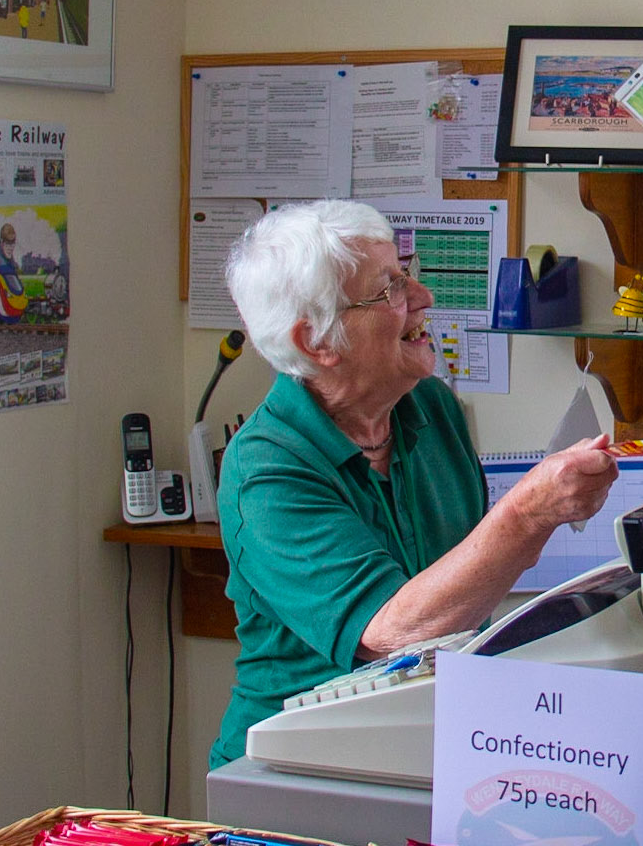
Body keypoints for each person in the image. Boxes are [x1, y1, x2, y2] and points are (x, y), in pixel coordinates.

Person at [209, 201, 620, 769]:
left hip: (430, 740)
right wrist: (529, 513)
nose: (423, 297)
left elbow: (466, 593)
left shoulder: (428, 406)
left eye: (409, 272)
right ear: (318, 343)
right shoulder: (266, 470)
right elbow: (391, 634)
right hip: (301, 764)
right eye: (390, 289)